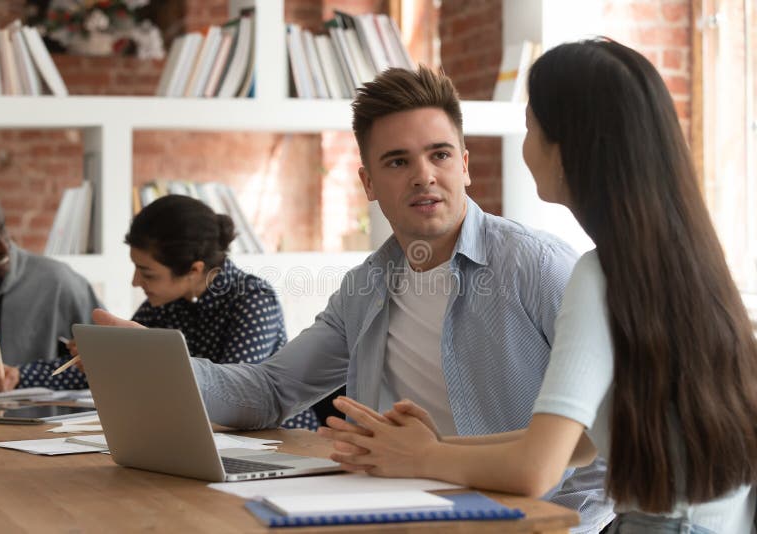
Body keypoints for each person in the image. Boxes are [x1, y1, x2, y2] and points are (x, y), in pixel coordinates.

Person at [94, 65, 613, 531]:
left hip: (526, 519)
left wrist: (563, 523)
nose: (423, 175)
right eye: (396, 161)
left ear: (465, 165)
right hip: (399, 509)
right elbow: (273, 389)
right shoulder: (366, 287)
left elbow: (612, 440)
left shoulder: (540, 266)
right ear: (367, 182)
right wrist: (159, 361)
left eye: (439, 154)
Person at [322, 40, 757, 533]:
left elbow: (537, 469)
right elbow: (590, 437)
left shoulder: (595, 273)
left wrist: (424, 459)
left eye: (531, 128)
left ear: (567, 149)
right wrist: (434, 448)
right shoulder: (683, 259)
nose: (524, 146)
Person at [124, 194, 318, 430]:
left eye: (147, 273)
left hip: (279, 444)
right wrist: (99, 359)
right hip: (201, 437)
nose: (136, 282)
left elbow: (233, 399)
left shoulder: (254, 300)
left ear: (194, 270)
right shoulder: (164, 303)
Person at [0, 178, 101, 392]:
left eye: (2, 229)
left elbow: (118, 366)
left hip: (48, 426)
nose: (3, 247)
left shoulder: (57, 282)